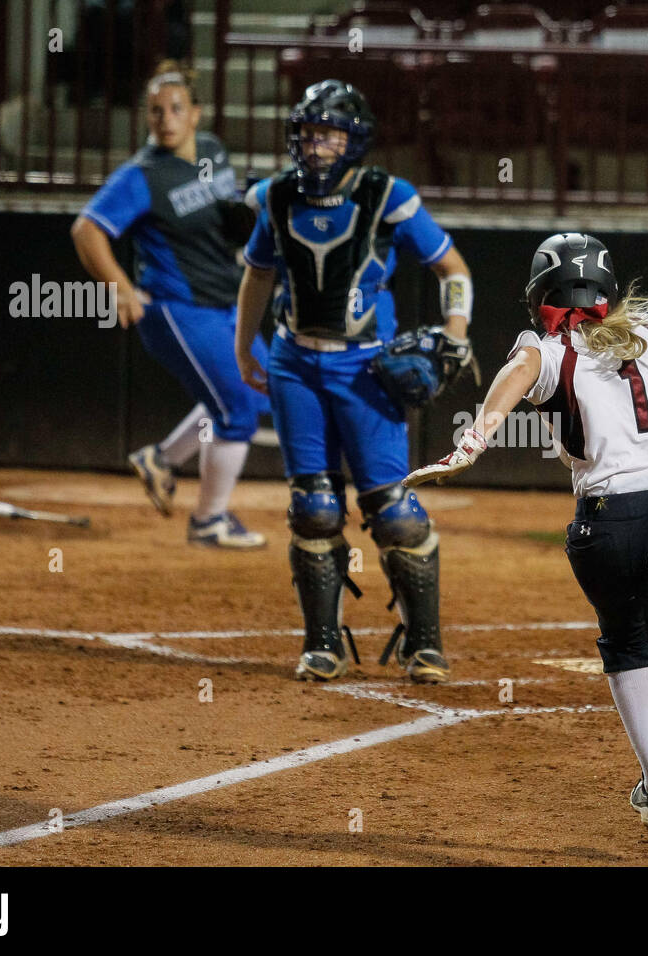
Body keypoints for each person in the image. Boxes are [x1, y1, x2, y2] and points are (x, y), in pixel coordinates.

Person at [406, 233, 648, 833]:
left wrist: (477, 435)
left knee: (624, 645)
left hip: (603, 526)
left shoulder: (549, 348)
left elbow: (519, 369)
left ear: (541, 294)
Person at [234, 80, 475, 684]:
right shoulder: (275, 197)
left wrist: (456, 331)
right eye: (308, 135)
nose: (315, 147)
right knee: (312, 506)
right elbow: (258, 275)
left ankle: (425, 643)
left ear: (353, 140)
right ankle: (322, 644)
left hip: (366, 366)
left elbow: (452, 268)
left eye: (328, 135)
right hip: (294, 363)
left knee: (392, 511)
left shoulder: (387, 196)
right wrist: (245, 347)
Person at [71, 60, 270, 549]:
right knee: (238, 409)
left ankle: (161, 458)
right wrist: (118, 284)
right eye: (155, 111)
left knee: (260, 387)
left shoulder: (211, 151)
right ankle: (208, 521)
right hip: (177, 310)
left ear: (196, 113)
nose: (165, 119)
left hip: (226, 300)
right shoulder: (142, 175)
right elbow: (87, 230)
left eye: (176, 108)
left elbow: (224, 214)